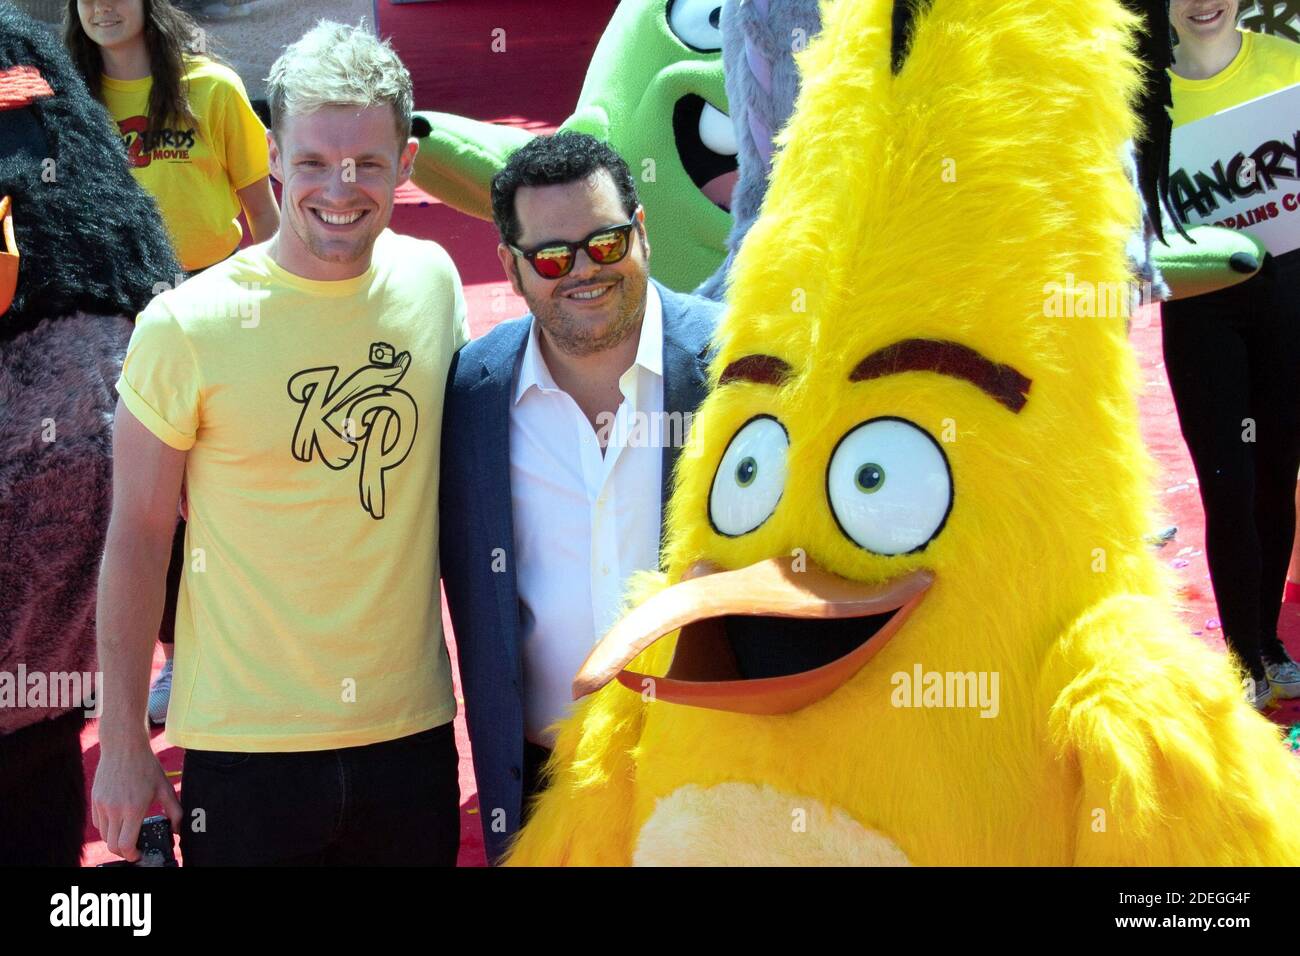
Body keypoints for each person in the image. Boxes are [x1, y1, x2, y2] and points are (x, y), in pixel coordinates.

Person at [92, 21, 467, 866]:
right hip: (244, 750)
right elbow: (139, 537)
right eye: (312, 161)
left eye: (368, 162)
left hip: (409, 734)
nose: (341, 187)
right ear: (270, 157)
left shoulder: (435, 283)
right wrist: (122, 741)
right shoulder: (186, 325)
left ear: (406, 164)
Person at [440, 132, 721, 864]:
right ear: (511, 266)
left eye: (605, 242)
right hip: (540, 781)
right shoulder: (472, 392)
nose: (584, 271)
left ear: (642, 232)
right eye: (553, 257)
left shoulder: (734, 366)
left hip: (708, 770)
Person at [66, 0, 281, 725]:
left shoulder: (212, 89)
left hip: (211, 307)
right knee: (132, 496)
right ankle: (163, 649)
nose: (100, 5)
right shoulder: (64, 98)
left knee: (215, 489)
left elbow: (266, 217)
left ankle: (234, 650)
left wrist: (278, 312)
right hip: (110, 316)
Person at [1162, 0, 1300, 708]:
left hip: (1290, 301)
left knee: (1278, 478)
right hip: (1200, 315)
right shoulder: (1144, 96)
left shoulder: (1287, 68)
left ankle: (1270, 641)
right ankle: (1242, 656)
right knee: (1229, 486)